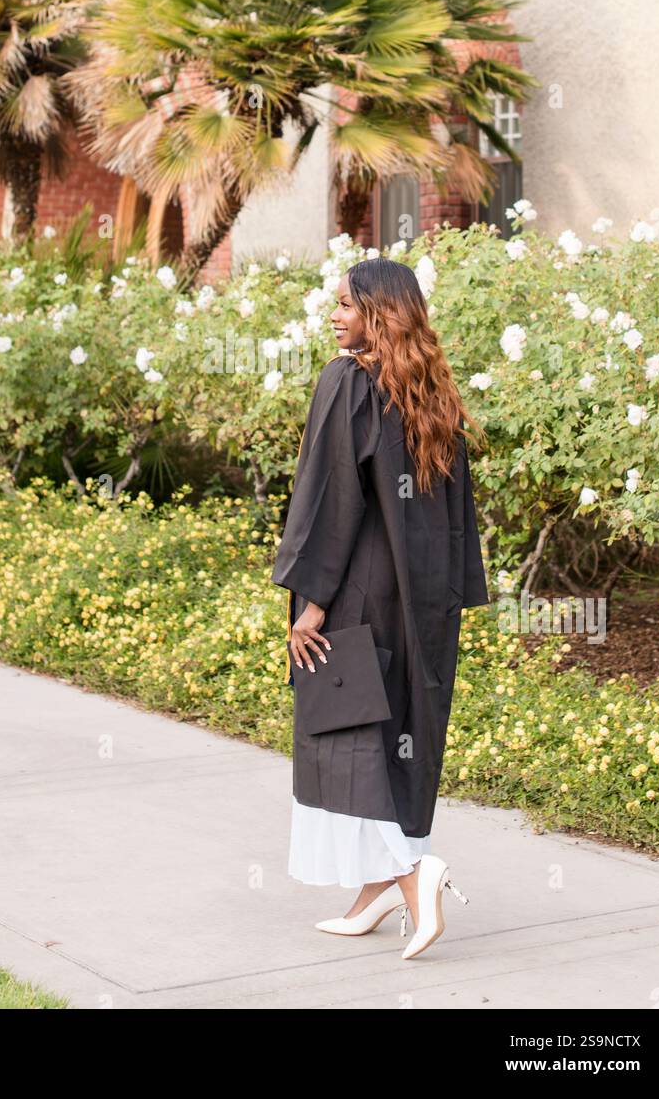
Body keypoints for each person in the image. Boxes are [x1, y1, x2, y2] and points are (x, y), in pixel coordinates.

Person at [271, 255, 491, 959]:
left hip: (356, 594)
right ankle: (372, 895)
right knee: (394, 734)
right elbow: (455, 515)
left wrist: (310, 601)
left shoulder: (346, 381)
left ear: (378, 314)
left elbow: (329, 497)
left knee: (348, 737)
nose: (332, 315)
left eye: (343, 304)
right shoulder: (428, 390)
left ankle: (408, 874)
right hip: (417, 601)